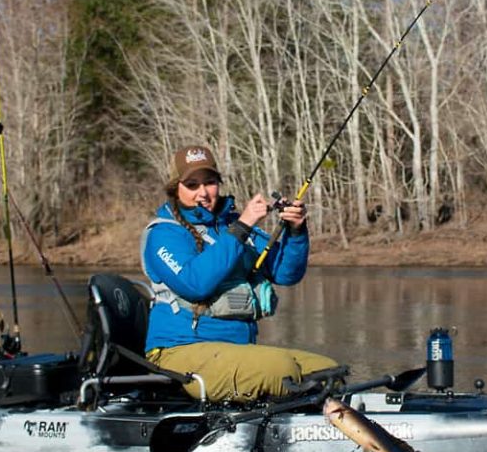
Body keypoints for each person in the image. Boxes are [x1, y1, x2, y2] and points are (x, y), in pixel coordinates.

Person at [140, 144, 340, 403]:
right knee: (281, 370)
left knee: (329, 372)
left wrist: (296, 231)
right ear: (175, 189)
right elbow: (194, 283)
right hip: (178, 353)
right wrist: (242, 225)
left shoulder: (231, 225)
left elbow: (285, 273)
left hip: (237, 351)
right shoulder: (163, 234)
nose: (203, 192)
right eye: (192, 185)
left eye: (210, 182)